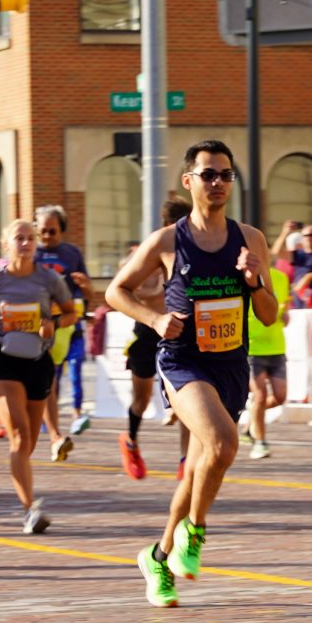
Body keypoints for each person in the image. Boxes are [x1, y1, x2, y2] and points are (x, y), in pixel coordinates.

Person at [106, 142, 277, 606]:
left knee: (201, 468)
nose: (217, 182)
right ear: (190, 182)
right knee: (223, 443)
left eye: (225, 174)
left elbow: (268, 315)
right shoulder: (167, 241)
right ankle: (195, 533)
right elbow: (115, 292)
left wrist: (254, 281)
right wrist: (155, 319)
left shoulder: (251, 240)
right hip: (182, 361)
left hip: (230, 362)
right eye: (208, 175)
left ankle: (158, 556)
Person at [0, 220, 79, 533]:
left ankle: (20, 479)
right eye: (18, 238)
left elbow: (71, 312)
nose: (25, 243)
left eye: (30, 238)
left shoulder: (49, 279)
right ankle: (30, 510)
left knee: (28, 444)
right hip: (3, 360)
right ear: (5, 244)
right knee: (19, 434)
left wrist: (54, 321)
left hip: (38, 359)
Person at [112, 199, 188, 481]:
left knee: (187, 396)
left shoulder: (195, 252)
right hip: (147, 331)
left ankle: (185, 462)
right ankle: (130, 440)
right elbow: (124, 292)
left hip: (180, 332)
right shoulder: (153, 251)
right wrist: (156, 289)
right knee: (141, 399)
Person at [34, 204, 90, 456]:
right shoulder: (30, 254)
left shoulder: (72, 253)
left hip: (68, 323)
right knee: (48, 378)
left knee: (73, 368)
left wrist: (86, 286)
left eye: (52, 231)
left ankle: (72, 417)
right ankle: (51, 430)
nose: (46, 236)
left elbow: (88, 293)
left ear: (62, 230)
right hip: (40, 326)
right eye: (42, 231)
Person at [244, 252, 292, 459]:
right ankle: (260, 443)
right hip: (252, 347)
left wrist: (285, 314)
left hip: (276, 345)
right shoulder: (244, 277)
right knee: (260, 395)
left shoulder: (281, 278)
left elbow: (285, 307)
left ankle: (250, 424)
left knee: (280, 397)